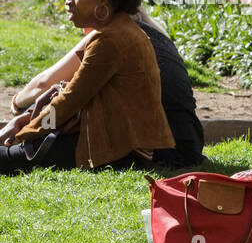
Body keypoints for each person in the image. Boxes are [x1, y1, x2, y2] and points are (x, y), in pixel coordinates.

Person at [0, 0, 175, 173]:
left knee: (5, 157)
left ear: (103, 0)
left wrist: (23, 133)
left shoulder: (109, 40)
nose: (68, 1)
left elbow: (68, 103)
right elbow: (75, 94)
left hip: (117, 149)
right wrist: (25, 119)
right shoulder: (124, 29)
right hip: (126, 144)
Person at [10, 11, 205, 168]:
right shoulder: (154, 34)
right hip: (189, 143)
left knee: (15, 156)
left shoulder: (112, 35)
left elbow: (47, 87)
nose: (70, 3)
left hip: (156, 149)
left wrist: (18, 107)